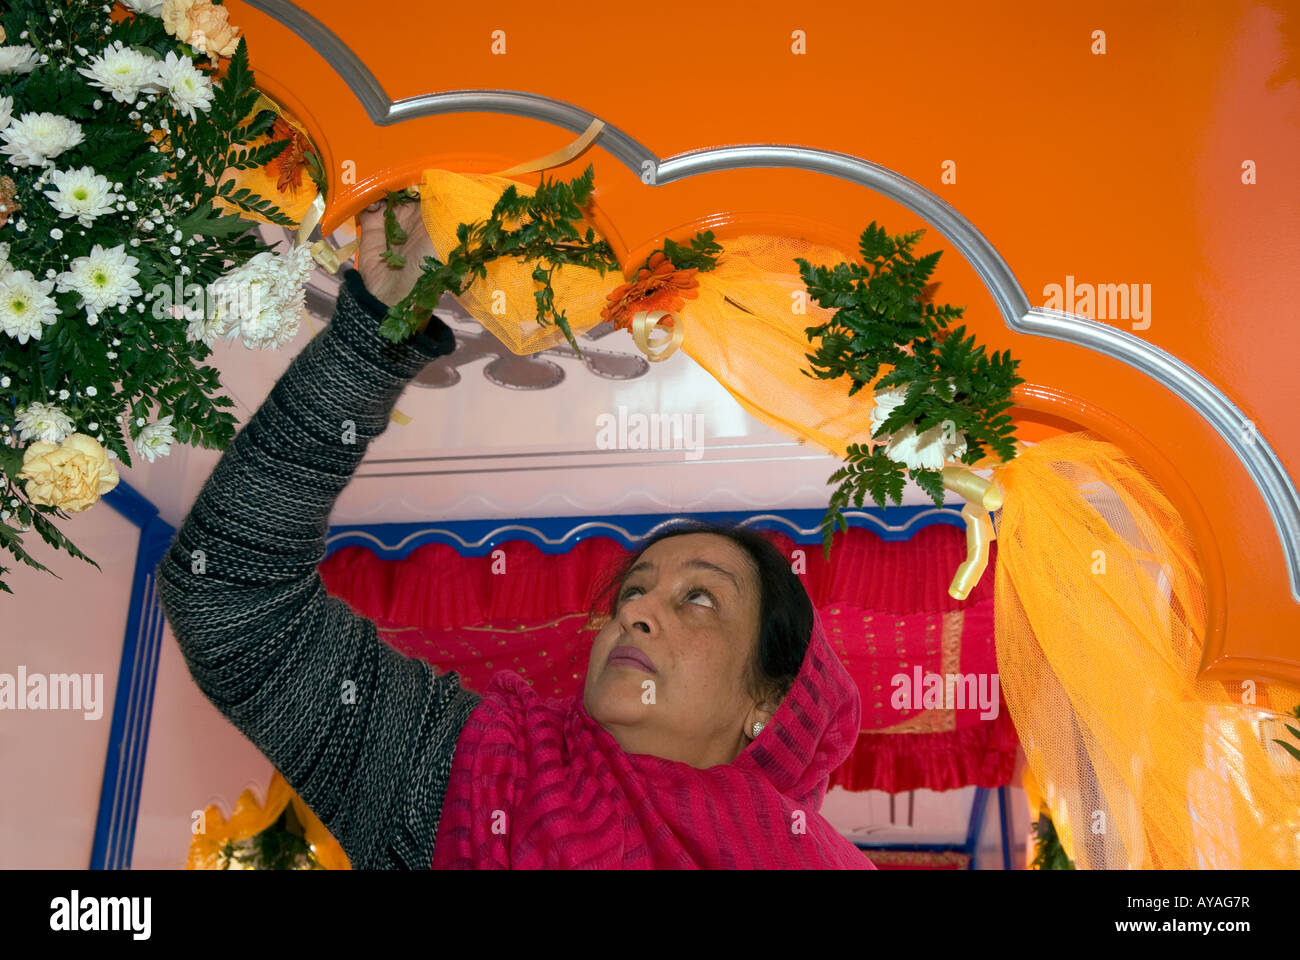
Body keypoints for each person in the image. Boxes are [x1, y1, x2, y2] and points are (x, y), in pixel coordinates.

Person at [156, 200, 875, 869]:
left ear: (770, 707)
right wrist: (373, 331)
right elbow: (227, 596)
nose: (635, 611)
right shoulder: (471, 775)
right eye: (633, 591)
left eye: (700, 599)